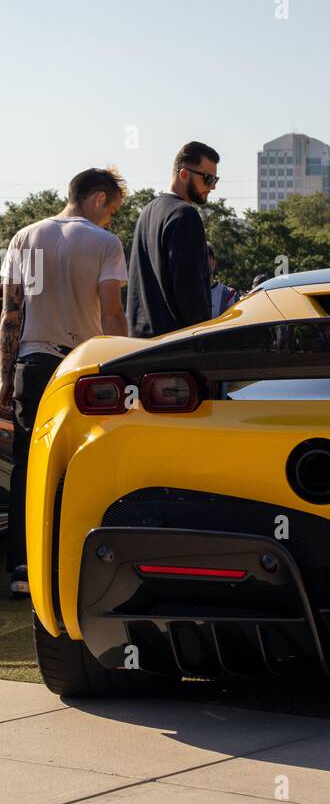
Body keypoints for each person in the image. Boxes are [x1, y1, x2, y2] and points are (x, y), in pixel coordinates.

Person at [0, 167, 128, 597]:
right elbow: (111, 314)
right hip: (82, 368)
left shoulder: (24, 238)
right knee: (81, 465)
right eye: (111, 211)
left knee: (27, 465)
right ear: (97, 199)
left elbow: (11, 314)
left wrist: (4, 377)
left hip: (31, 363)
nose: (110, 220)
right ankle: (72, 563)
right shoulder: (105, 244)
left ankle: (23, 566)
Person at [127, 141, 219, 337]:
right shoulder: (185, 215)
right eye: (208, 179)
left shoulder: (147, 212)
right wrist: (203, 338)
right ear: (184, 174)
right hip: (175, 347)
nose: (212, 187)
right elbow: (190, 291)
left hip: (139, 344)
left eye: (215, 180)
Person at [207, 243, 238, 317]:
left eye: (205, 258)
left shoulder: (230, 295)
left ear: (213, 264)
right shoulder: (185, 295)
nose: (201, 263)